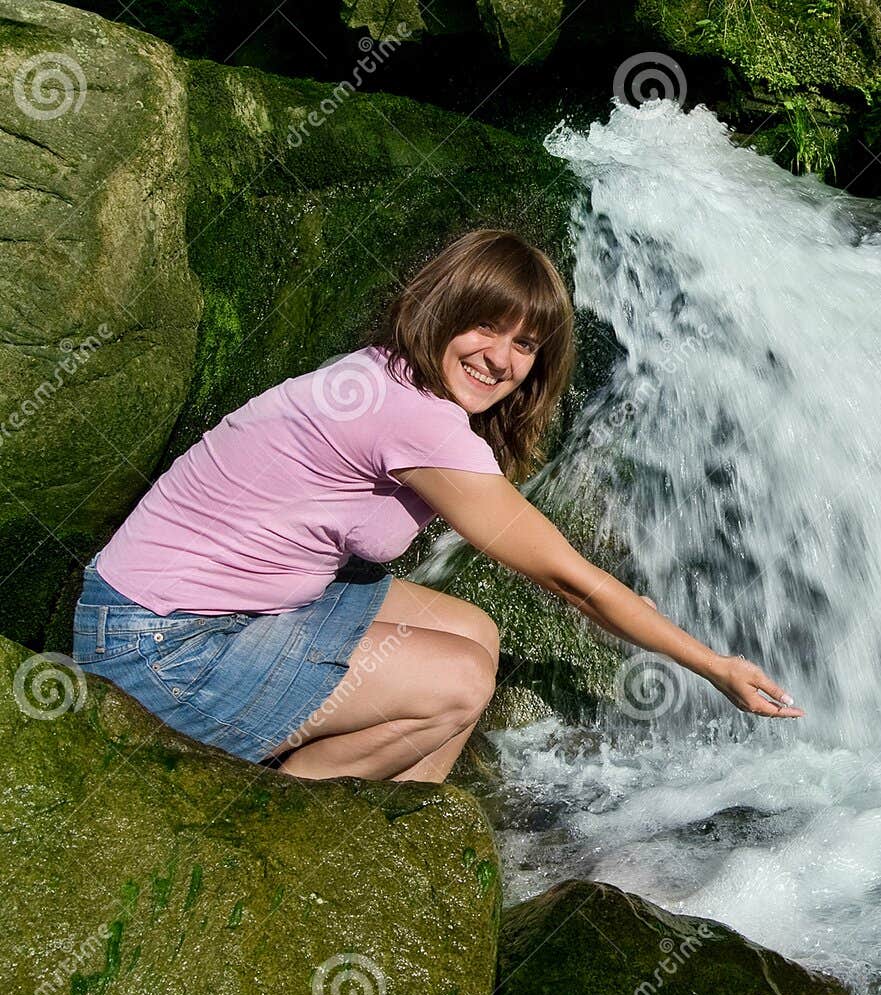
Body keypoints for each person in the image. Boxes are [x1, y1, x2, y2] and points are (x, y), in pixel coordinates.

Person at [72, 228, 801, 783]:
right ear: (442, 310)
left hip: (170, 610)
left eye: (526, 345)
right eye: (485, 326)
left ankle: (405, 832)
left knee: (473, 631)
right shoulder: (411, 419)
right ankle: (290, 815)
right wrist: (715, 665)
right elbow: (571, 580)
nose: (501, 359)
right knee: (459, 681)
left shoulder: (388, 374)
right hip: (160, 647)